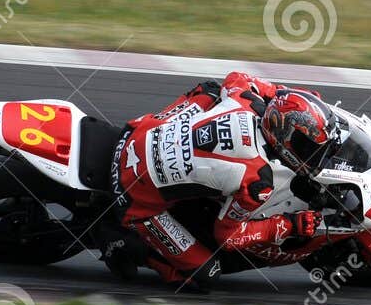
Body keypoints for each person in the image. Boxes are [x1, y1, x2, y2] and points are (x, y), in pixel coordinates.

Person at [108, 70, 338, 287]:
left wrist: (281, 95)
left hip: (140, 130)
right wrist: (287, 224)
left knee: (210, 90)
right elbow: (228, 237)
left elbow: (236, 77)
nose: (312, 154)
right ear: (283, 136)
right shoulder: (259, 180)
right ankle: (121, 243)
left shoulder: (246, 100)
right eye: (305, 146)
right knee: (205, 273)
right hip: (133, 194)